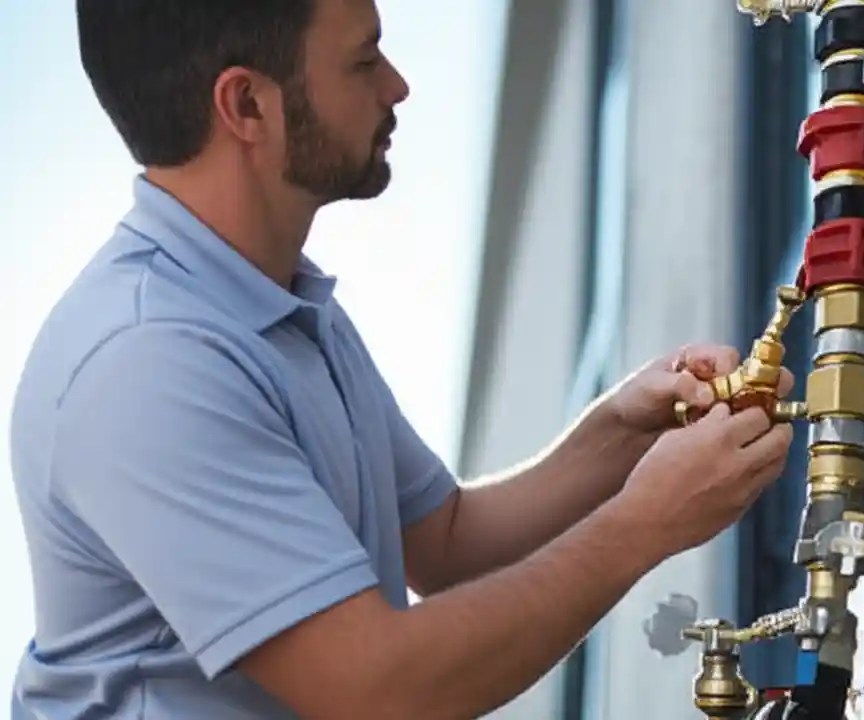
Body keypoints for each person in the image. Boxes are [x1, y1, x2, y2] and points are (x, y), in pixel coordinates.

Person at [8, 1, 795, 718]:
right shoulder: (149, 362)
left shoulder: (282, 307)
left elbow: (446, 543)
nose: (397, 86)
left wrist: (625, 435)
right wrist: (645, 525)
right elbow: (379, 690)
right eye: (363, 61)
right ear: (247, 105)